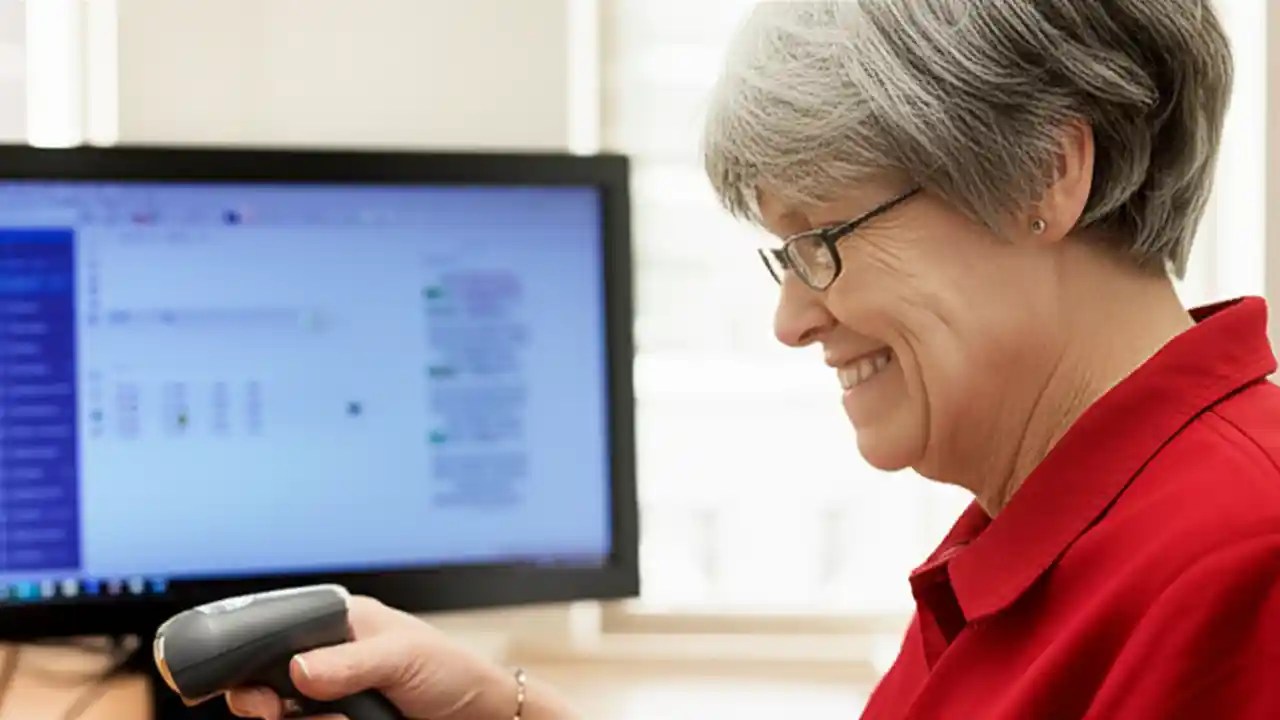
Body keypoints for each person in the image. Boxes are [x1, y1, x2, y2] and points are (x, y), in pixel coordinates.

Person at [230, 1, 1280, 718]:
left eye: (821, 238)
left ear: (1041, 176)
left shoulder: (1238, 564)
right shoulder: (1049, 519)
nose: (790, 319)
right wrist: (496, 706)